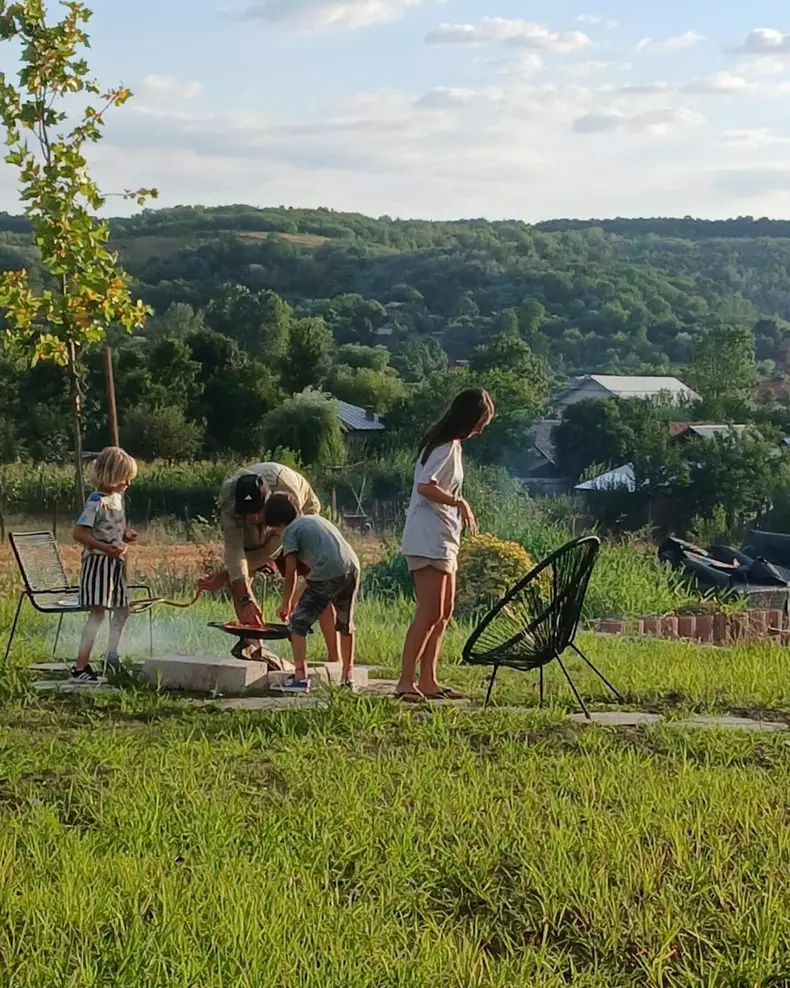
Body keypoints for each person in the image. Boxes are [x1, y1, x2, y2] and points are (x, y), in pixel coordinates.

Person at [395, 388, 495, 703]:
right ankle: (405, 682)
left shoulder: (452, 446)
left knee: (444, 612)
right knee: (429, 612)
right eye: (480, 423)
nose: (481, 430)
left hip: (443, 537)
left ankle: (429, 680)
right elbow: (425, 486)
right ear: (468, 419)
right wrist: (459, 502)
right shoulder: (444, 446)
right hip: (427, 538)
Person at [198, 462, 341, 665]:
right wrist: (244, 593)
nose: (253, 517)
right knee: (239, 584)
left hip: (299, 512)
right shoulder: (231, 505)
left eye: (257, 511)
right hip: (264, 520)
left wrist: (228, 573)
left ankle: (334, 658)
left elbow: (272, 550)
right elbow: (235, 552)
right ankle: (254, 648)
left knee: (318, 583)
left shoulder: (286, 498)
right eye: (248, 512)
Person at [264, 493, 360, 695]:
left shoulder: (289, 532)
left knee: (297, 625)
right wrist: (295, 599)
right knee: (345, 623)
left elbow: (291, 573)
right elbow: (312, 574)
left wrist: (286, 604)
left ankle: (300, 677)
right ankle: (347, 678)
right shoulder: (315, 519)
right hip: (352, 567)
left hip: (328, 571)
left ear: (275, 523)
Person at [72, 446, 139, 682]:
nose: (128, 483)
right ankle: (80, 667)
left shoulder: (117, 500)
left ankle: (111, 654)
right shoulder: (96, 502)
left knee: (122, 608)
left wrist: (125, 535)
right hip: (98, 563)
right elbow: (80, 533)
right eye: (124, 478)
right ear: (111, 475)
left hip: (115, 564)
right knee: (98, 613)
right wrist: (104, 547)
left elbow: (111, 529)